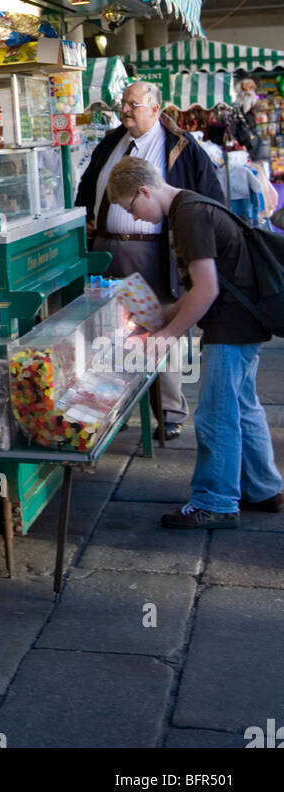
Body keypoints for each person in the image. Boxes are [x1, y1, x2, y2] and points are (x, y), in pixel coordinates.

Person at [106, 154, 282, 527]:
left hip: (231, 326)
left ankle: (215, 502)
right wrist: (166, 317)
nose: (134, 217)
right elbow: (205, 286)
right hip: (242, 322)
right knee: (242, 405)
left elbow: (207, 288)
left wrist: (167, 336)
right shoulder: (189, 207)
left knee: (216, 414)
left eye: (130, 207)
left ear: (143, 190)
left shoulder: (188, 216)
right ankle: (265, 488)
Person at [76, 79, 226, 439]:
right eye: (123, 104)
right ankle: (117, 404)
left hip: (156, 252)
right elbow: (87, 186)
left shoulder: (182, 147)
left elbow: (211, 200)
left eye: (133, 104)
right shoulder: (112, 142)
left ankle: (169, 410)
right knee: (111, 332)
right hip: (107, 250)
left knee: (160, 322)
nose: (125, 110)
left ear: (156, 109)